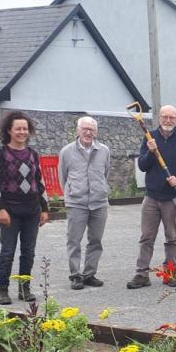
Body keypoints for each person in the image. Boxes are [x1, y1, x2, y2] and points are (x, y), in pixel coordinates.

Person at [128, 105, 176, 289]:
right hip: (151, 197)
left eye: (171, 117)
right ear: (159, 118)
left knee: (172, 237)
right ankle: (141, 274)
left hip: (172, 198)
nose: (168, 120)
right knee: (146, 237)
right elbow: (142, 166)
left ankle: (169, 274)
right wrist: (150, 152)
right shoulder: (150, 137)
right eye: (165, 117)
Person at [0, 111, 49, 305]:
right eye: (18, 128)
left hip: (32, 210)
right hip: (10, 210)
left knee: (29, 251)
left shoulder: (33, 154)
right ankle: (2, 289)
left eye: (25, 128)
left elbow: (39, 181)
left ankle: (24, 289)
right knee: (8, 251)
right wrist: (0, 209)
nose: (22, 132)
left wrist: (44, 208)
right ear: (9, 130)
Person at [58, 116, 111, 290]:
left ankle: (89, 274)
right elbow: (63, 177)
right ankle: (75, 275)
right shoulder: (66, 151)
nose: (88, 132)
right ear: (78, 130)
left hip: (99, 202)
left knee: (96, 240)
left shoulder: (104, 150)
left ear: (96, 132)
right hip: (77, 202)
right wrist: (71, 193)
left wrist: (100, 190)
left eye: (92, 129)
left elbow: (106, 173)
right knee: (74, 240)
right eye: (85, 129)